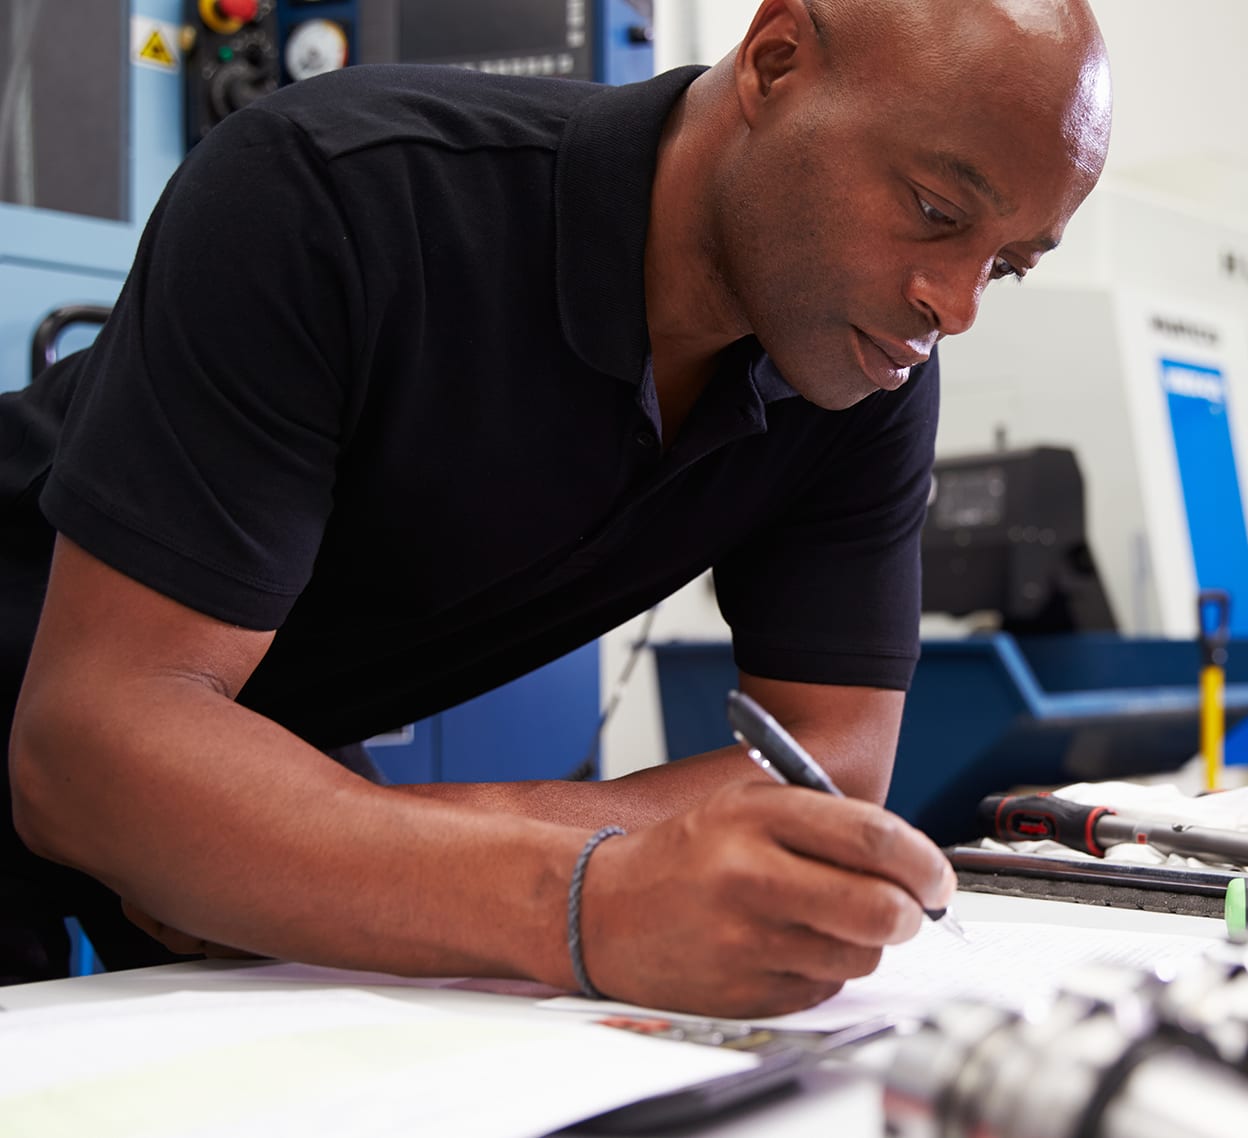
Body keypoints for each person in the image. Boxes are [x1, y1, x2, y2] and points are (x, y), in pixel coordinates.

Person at [0, 0, 1111, 1016]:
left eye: (1004, 266)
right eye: (933, 209)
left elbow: (829, 769)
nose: (954, 305)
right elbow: (87, 749)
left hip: (240, 751)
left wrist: (314, 834)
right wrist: (577, 899)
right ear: (775, 64)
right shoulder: (341, 188)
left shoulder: (864, 365)